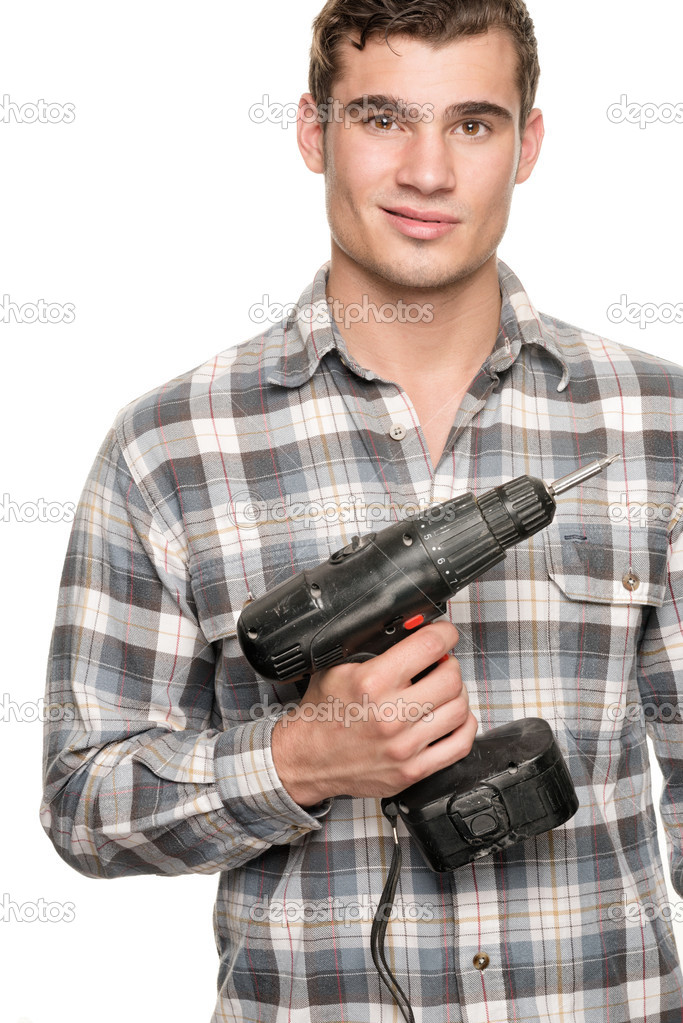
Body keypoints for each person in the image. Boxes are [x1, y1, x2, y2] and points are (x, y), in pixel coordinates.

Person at [40, 1, 683, 1020]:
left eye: (470, 124)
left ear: (528, 144)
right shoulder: (168, 447)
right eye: (382, 118)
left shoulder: (656, 425)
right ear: (312, 131)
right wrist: (299, 760)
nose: (426, 172)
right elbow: (82, 810)